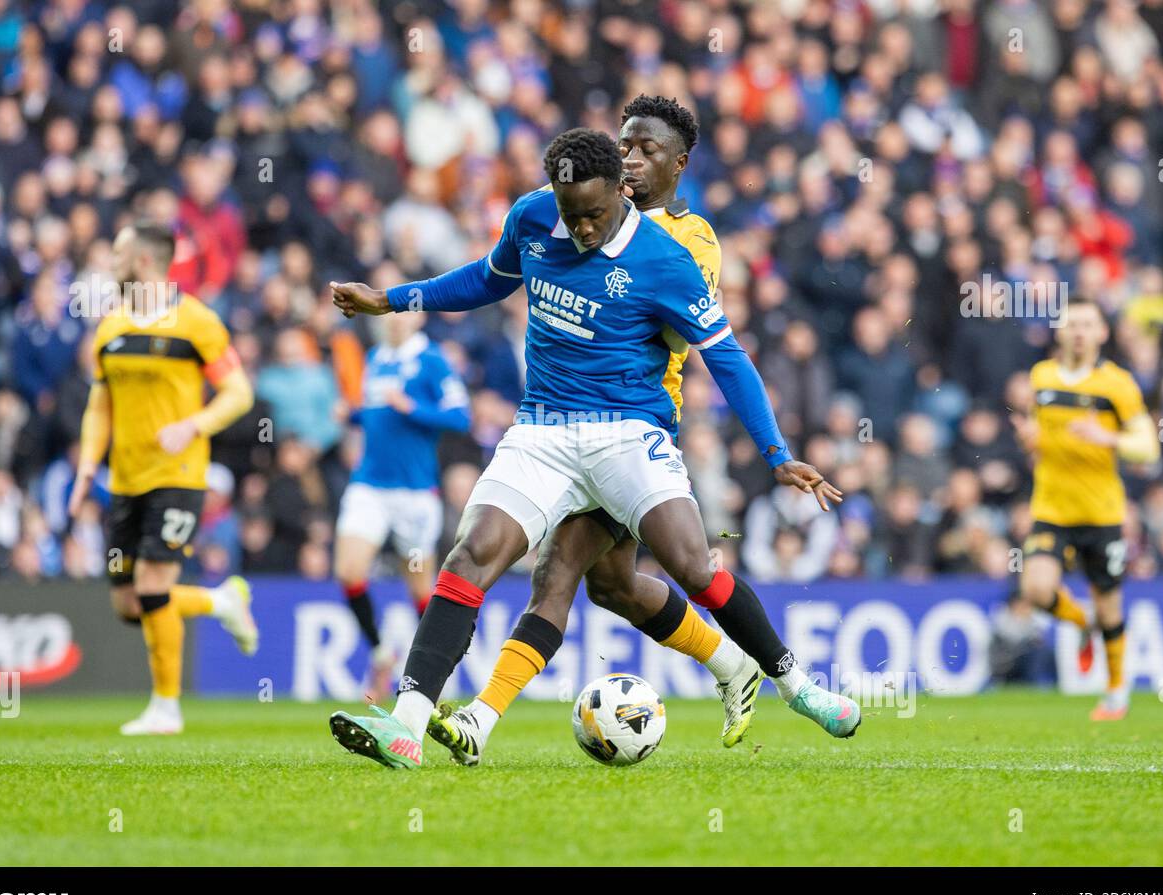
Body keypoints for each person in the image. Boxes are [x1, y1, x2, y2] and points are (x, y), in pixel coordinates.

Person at [326, 128, 859, 769]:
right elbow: (488, 280)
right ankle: (406, 726)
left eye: (594, 215)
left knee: (690, 566)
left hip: (627, 432)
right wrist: (391, 300)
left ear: (621, 190)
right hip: (542, 429)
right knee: (473, 555)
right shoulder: (531, 216)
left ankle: (795, 686)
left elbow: (728, 358)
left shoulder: (665, 260)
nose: (580, 228)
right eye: (570, 213)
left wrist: (776, 454)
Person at [430, 95, 765, 766]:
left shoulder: (685, 239)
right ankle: (733, 664)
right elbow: (499, 276)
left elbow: (686, 330)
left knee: (560, 573)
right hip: (567, 425)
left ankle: (479, 721)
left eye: (645, 151)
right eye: (625, 146)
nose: (632, 158)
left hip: (634, 428)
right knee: (610, 587)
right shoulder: (578, 212)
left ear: (677, 163)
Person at [69, 222, 259, 736]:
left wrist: (192, 426)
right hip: (124, 480)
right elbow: (98, 405)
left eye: (117, 253)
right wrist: (87, 467)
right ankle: (221, 600)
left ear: (146, 262)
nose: (110, 262)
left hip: (178, 475)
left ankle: (166, 707)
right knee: (130, 604)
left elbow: (239, 392)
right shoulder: (110, 326)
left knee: (154, 585)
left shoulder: (196, 321)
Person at [1011, 298, 1159, 720]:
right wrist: (1030, 440)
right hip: (1052, 508)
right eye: (1071, 323)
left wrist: (1107, 439)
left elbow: (1148, 448)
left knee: (1110, 603)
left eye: (1087, 324)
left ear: (1101, 333)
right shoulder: (1041, 377)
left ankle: (1116, 692)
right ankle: (1081, 623)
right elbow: (1040, 438)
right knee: (1036, 590)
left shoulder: (1118, 385)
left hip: (1102, 514)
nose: (1078, 331)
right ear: (1059, 331)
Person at [335, 308, 470, 702]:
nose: (394, 320)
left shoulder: (432, 361)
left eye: (402, 314)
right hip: (370, 486)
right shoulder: (377, 357)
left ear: (419, 320)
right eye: (389, 314)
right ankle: (380, 653)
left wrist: (413, 408)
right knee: (349, 571)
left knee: (419, 589)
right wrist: (354, 416)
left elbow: (460, 417)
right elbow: (380, 416)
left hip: (414, 492)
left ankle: (427, 677)